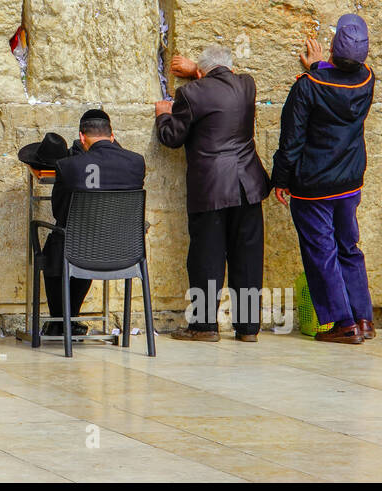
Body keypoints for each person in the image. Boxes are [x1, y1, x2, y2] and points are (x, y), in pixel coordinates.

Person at [270, 15, 376, 345]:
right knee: (348, 248)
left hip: (313, 184)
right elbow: (340, 86)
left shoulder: (308, 86)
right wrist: (320, 68)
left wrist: (280, 179)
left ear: (331, 48)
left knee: (322, 253)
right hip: (350, 182)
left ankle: (342, 324)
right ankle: (363, 318)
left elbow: (291, 141)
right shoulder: (366, 80)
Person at [156, 46, 269, 343]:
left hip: (212, 189)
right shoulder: (247, 85)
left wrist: (163, 116)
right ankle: (248, 329)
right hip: (247, 186)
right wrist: (198, 69)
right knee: (247, 258)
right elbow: (222, 80)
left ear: (201, 72)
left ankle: (204, 326)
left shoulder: (190, 94)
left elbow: (172, 137)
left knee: (207, 258)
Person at [37, 110, 145, 336]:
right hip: (124, 252)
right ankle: (69, 320)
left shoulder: (69, 166)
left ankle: (61, 321)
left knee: (60, 240)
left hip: (82, 251)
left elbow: (59, 211)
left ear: (82, 137)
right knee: (79, 240)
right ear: (112, 136)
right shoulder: (136, 162)